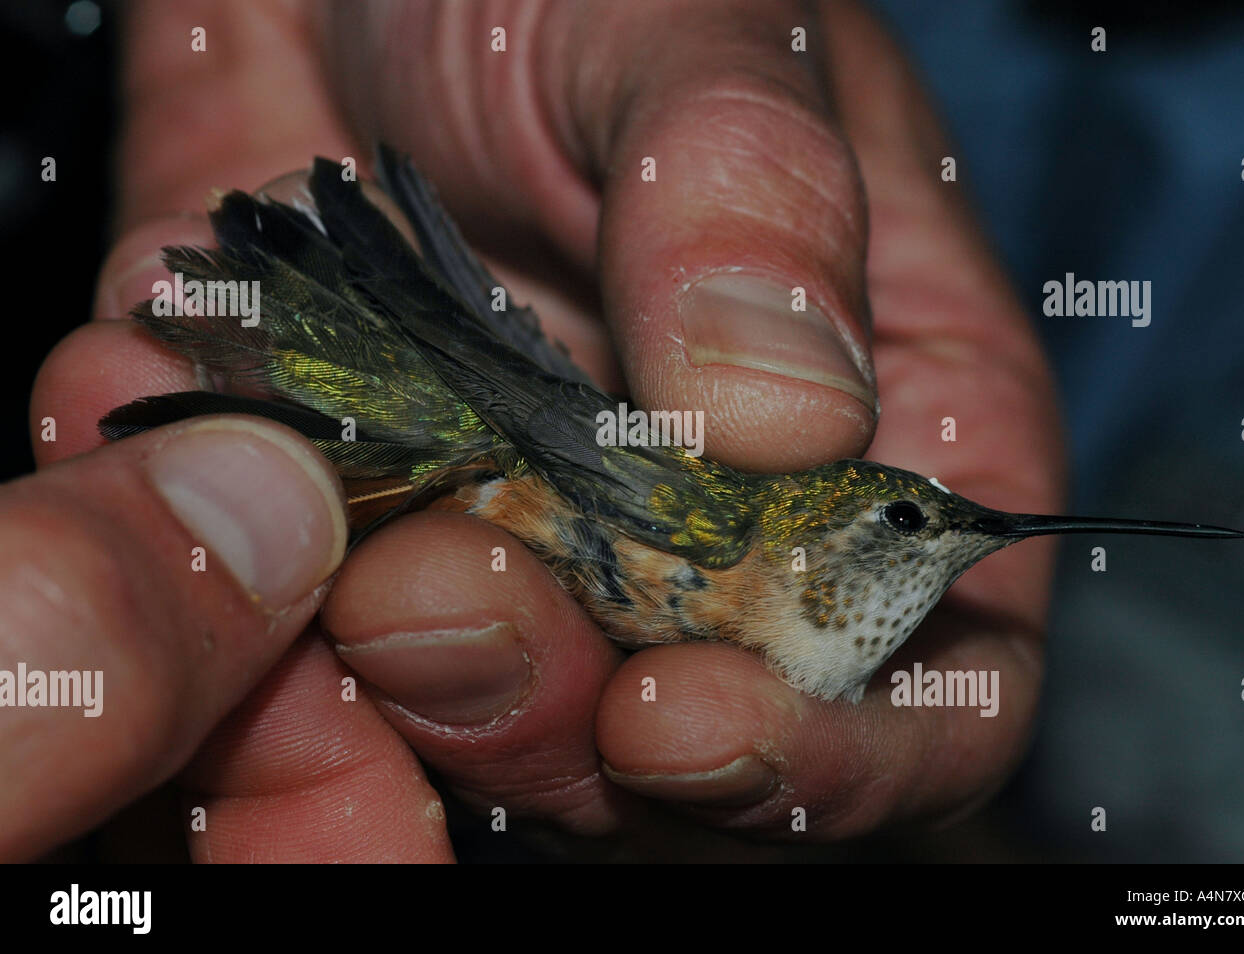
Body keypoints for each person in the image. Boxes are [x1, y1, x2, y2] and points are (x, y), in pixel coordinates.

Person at [5, 0, 1061, 861]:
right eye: (910, 521)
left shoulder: (772, 603)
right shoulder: (731, 538)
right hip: (499, 444)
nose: (943, 546)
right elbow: (544, 428)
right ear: (828, 532)